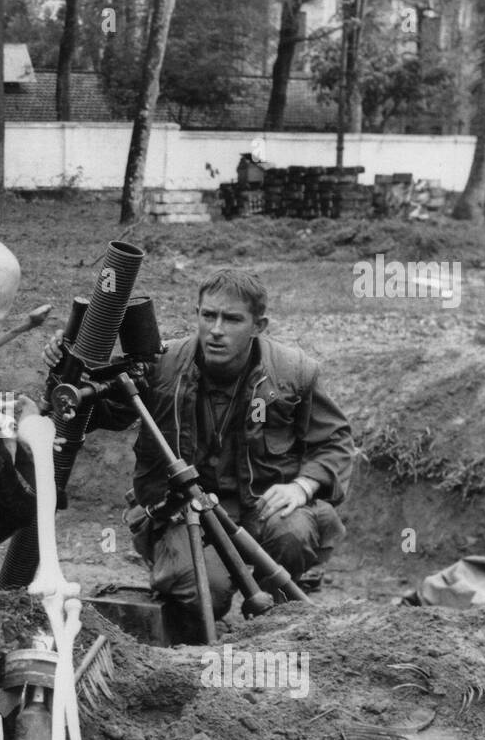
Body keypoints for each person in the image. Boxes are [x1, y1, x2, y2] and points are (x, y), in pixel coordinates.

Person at [45, 268, 355, 639]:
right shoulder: (161, 364)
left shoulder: (294, 372)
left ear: (259, 325)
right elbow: (102, 414)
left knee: (294, 534)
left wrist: (301, 487)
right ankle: (199, 613)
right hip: (181, 512)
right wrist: (64, 371)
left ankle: (277, 627)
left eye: (232, 319)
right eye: (208, 315)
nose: (217, 329)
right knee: (203, 591)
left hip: (261, 507)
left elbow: (334, 441)